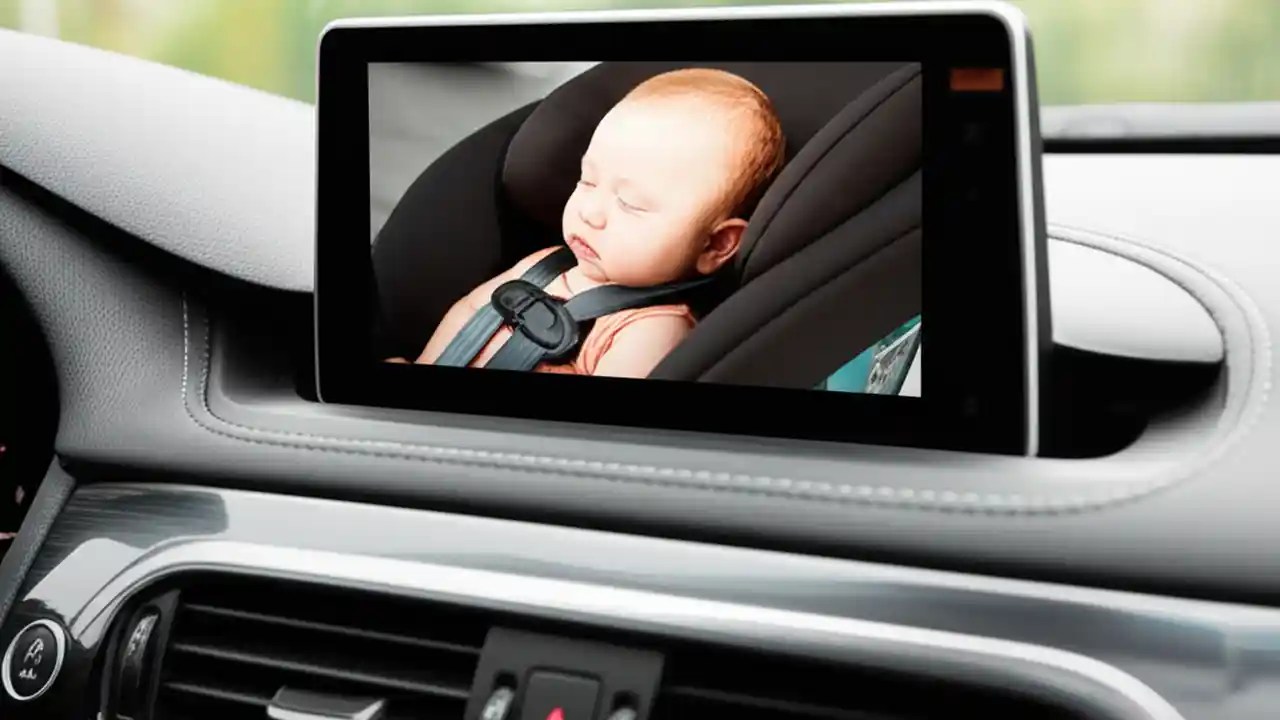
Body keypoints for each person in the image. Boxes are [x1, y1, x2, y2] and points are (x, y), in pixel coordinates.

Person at [403, 67, 786, 378]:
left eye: (631, 204)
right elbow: (471, 311)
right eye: (587, 181)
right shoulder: (545, 264)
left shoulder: (650, 330)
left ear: (714, 245)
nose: (590, 212)